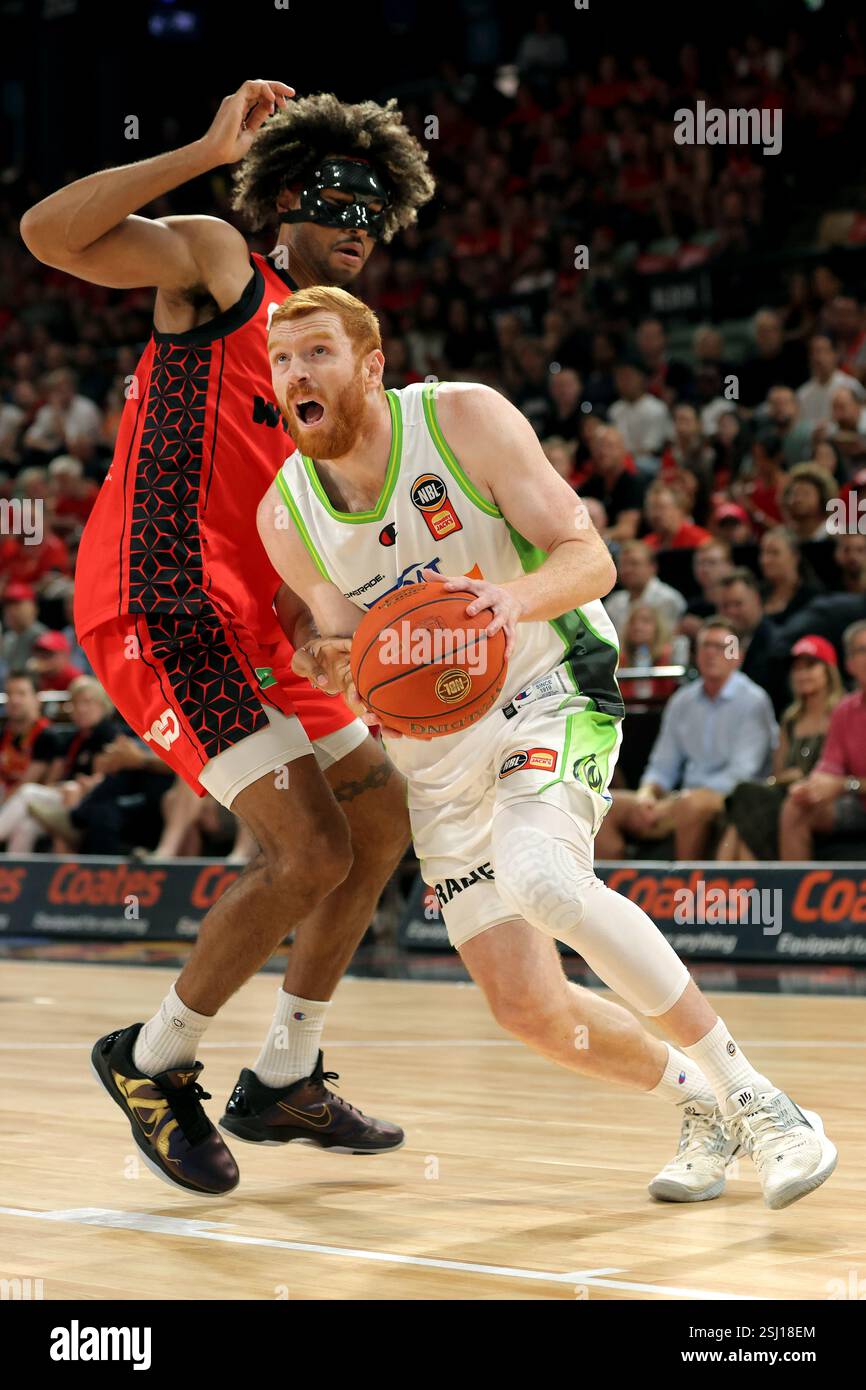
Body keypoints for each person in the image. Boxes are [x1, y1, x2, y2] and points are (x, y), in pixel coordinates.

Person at [257, 284, 835, 1211]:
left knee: (545, 880)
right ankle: (705, 1110)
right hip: (436, 755)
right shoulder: (286, 511)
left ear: (371, 363)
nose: (295, 375)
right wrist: (334, 664)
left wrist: (509, 602)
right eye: (282, 361)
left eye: (317, 352)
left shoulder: (463, 419)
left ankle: (762, 1100)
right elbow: (343, 640)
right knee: (526, 1007)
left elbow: (590, 556)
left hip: (545, 685)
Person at [21, 82, 435, 1193]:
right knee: (307, 851)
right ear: (287, 204)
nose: (356, 221)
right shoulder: (218, 267)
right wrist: (203, 150)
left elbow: (297, 513)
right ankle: (151, 1060)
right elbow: (47, 235)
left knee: (381, 811)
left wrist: (319, 610)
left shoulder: (338, 358)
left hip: (256, 625)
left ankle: (286, 1073)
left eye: (374, 209)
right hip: (161, 601)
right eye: (338, 197)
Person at [596, 615, 777, 862]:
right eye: (706, 646)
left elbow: (741, 774)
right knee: (605, 805)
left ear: (738, 656)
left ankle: (684, 887)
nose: (712, 653)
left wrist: (676, 802)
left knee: (690, 805)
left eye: (722, 647)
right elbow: (663, 765)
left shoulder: (754, 701)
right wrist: (647, 794)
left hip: (733, 798)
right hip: (681, 797)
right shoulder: (683, 700)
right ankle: (616, 889)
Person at [718, 635, 842, 861]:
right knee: (746, 800)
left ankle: (717, 883)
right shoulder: (790, 719)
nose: (802, 674)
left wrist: (805, 777)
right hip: (788, 792)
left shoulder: (840, 714)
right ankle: (740, 886)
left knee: (746, 807)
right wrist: (790, 778)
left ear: (828, 671)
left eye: (810, 666)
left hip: (820, 796)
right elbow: (779, 772)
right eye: (797, 669)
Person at [780, 620, 866, 860]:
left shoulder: (832, 709)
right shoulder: (845, 711)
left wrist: (844, 785)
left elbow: (840, 782)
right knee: (794, 808)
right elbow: (829, 766)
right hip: (858, 804)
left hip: (853, 792)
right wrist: (811, 787)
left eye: (810, 666)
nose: (803, 674)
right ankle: (795, 894)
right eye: (863, 650)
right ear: (849, 664)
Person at [603, 538, 686, 638]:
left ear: (652, 567)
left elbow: (667, 641)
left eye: (634, 563)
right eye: (623, 564)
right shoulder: (614, 602)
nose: (628, 570)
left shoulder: (668, 599)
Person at [0, 671, 55, 800]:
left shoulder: (46, 736)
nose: (14, 700)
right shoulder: (4, 734)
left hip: (28, 804)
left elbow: (26, 784)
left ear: (37, 699)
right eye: (10, 694)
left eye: (21, 693)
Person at [796, 335, 864, 426]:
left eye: (825, 351)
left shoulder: (850, 385)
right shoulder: (803, 393)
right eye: (814, 352)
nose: (818, 358)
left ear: (836, 354)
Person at [758, 528, 821, 625]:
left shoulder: (813, 598)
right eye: (763, 552)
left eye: (774, 553)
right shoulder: (757, 594)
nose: (765, 560)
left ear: (795, 556)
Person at [617, 604, 678, 702]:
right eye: (633, 622)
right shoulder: (620, 660)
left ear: (657, 627)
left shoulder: (668, 657)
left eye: (645, 621)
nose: (637, 626)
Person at [642, 483, 711, 550]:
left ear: (680, 510)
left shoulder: (700, 541)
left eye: (662, 507)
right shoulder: (647, 545)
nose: (655, 514)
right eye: (651, 508)